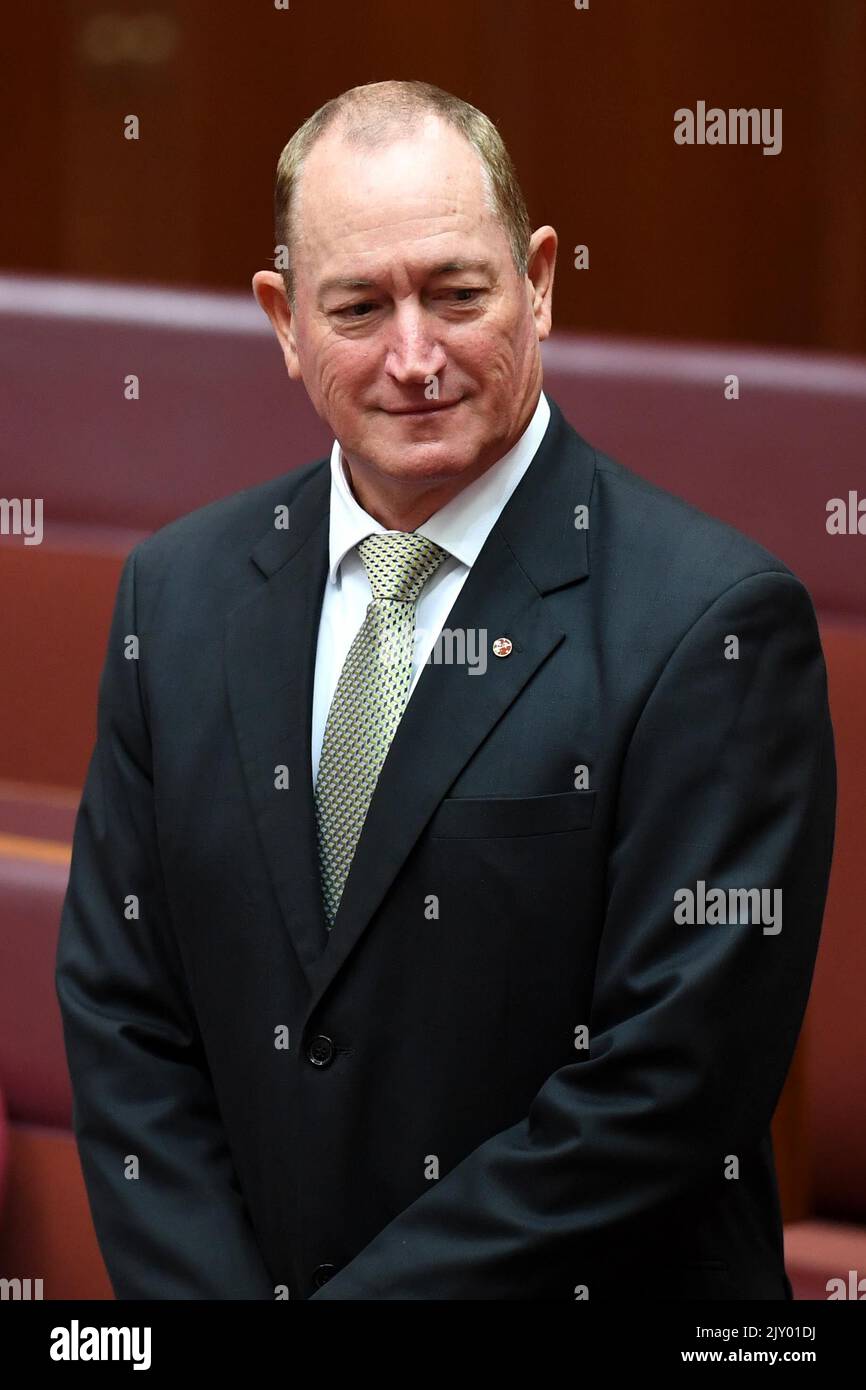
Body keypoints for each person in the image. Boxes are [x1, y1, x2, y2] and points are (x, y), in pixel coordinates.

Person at [56, 79, 836, 1300]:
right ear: (281, 319)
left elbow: (666, 1085)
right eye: (358, 306)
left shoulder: (714, 626)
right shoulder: (178, 595)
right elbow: (123, 1012)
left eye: (457, 294)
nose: (413, 359)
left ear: (538, 280)